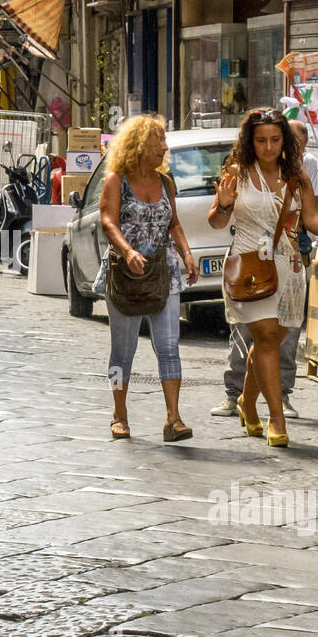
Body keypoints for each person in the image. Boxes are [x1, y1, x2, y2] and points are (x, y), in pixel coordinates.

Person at [209, 108, 318, 447]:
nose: (268, 147)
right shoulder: (236, 173)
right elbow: (216, 222)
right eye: (261, 140)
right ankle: (276, 419)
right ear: (250, 142)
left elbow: (311, 218)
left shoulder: (296, 177)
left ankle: (246, 403)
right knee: (266, 338)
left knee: (268, 342)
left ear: (284, 140)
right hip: (250, 265)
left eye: (274, 139)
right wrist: (223, 205)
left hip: (289, 266)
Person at [95, 114, 200, 442]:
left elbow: (175, 224)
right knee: (122, 352)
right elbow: (107, 221)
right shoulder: (117, 179)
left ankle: (173, 419)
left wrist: (186, 253)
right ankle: (119, 413)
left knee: (169, 346)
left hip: (163, 270)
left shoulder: (166, 182)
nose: (165, 148)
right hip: (125, 274)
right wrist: (128, 251)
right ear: (139, 145)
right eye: (160, 142)